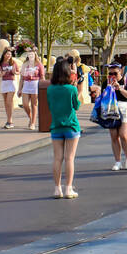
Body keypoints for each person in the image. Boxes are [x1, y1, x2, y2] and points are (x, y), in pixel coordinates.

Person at [47, 57, 81, 198]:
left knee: (57, 158)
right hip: (71, 125)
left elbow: (50, 106)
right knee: (69, 158)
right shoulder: (71, 89)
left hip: (56, 125)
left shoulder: (50, 89)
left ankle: (57, 189)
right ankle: (68, 189)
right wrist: (75, 86)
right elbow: (76, 106)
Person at [95, 64, 127, 171]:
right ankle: (118, 161)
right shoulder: (106, 83)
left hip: (123, 107)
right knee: (114, 136)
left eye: (115, 73)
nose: (112, 76)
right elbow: (103, 97)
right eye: (110, 73)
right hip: (111, 109)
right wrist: (107, 90)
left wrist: (119, 88)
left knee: (123, 134)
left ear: (120, 72)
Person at [0, 47, 20, 129]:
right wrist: (1, 74)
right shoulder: (0, 64)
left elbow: (18, 72)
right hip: (4, 83)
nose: (9, 55)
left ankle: (10, 121)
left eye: (10, 54)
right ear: (4, 55)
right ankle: (8, 120)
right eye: (7, 54)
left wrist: (14, 72)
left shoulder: (13, 63)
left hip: (11, 83)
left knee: (9, 101)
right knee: (6, 103)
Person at [20, 51, 43, 130]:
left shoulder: (39, 64)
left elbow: (42, 77)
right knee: (25, 104)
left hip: (35, 84)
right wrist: (20, 89)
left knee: (34, 105)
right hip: (26, 84)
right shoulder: (25, 64)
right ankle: (30, 117)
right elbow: (21, 78)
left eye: (32, 54)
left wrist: (43, 87)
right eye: (29, 54)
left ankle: (33, 123)